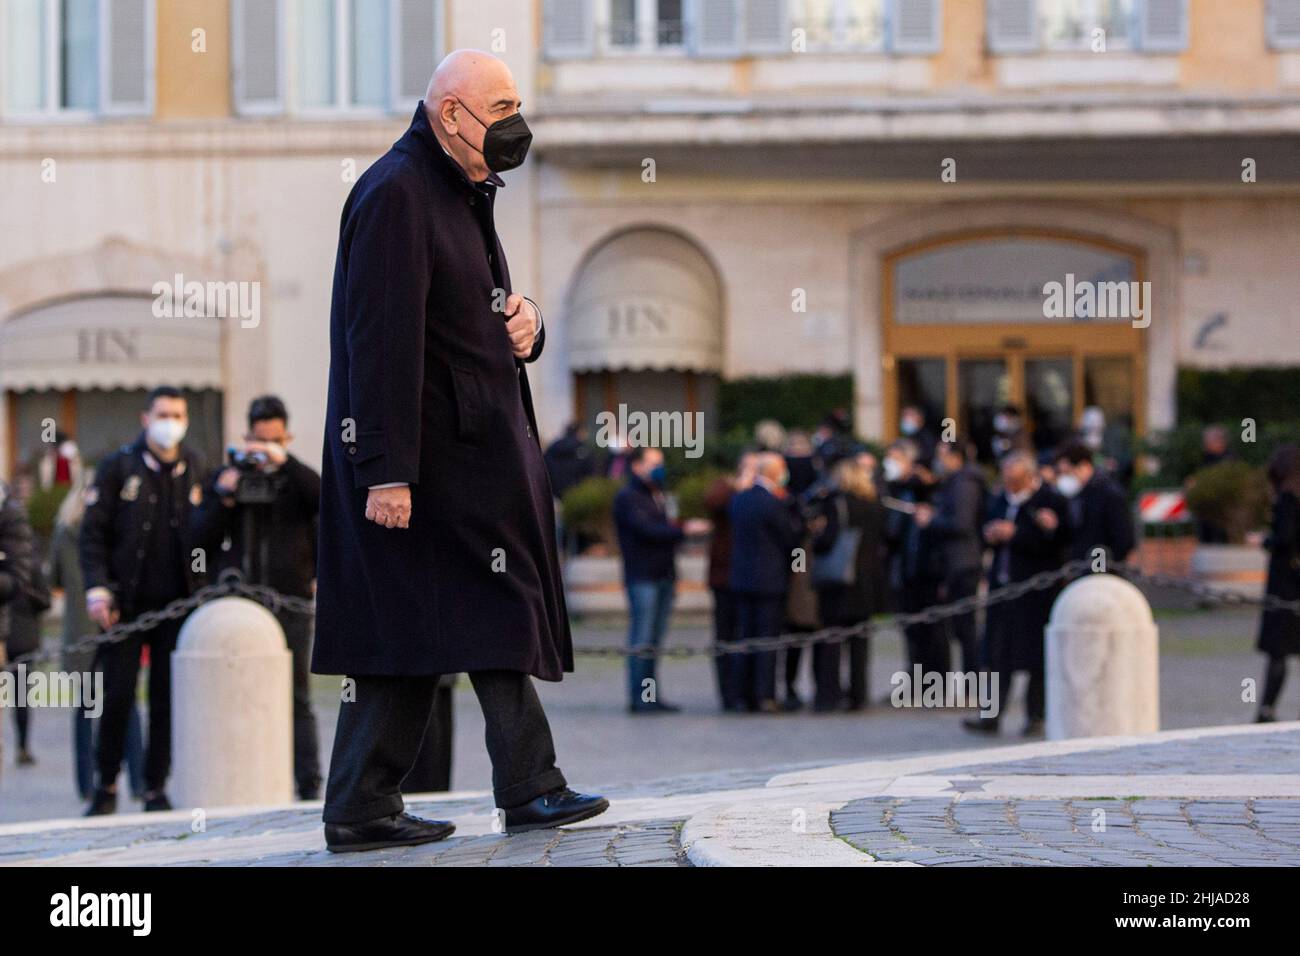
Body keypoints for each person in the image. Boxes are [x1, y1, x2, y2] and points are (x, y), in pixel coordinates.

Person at [312, 50, 606, 852]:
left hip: (463, 459)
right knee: (484, 616)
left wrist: (530, 324)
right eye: (500, 106)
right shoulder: (398, 193)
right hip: (429, 469)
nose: (515, 124)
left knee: (412, 635)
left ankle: (363, 807)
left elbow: (470, 317)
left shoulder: (457, 188)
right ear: (451, 114)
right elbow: (378, 344)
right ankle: (528, 788)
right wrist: (385, 472)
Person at [79, 386, 209, 814]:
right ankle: (108, 785)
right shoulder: (119, 467)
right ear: (145, 418)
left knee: (165, 699)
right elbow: (93, 534)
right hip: (125, 607)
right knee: (117, 696)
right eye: (163, 413)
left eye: (177, 414)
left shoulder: (194, 467)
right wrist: (98, 589)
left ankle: (155, 786)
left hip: (178, 607)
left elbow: (208, 533)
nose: (170, 421)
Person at [198, 395, 324, 800]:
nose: (264, 449)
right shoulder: (226, 479)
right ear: (246, 437)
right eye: (259, 441)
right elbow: (198, 538)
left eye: (273, 441)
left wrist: (283, 462)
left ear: (285, 437)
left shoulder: (296, 480)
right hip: (237, 603)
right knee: (234, 693)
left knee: (296, 695)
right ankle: (238, 779)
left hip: (289, 600)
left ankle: (308, 782)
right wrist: (223, 496)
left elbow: (324, 498)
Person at [47, 473, 144, 801]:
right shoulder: (114, 531)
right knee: (124, 703)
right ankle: (137, 779)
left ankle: (88, 784)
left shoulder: (64, 533)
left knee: (91, 708)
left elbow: (54, 580)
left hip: (81, 630)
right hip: (113, 624)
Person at [965, 450, 1072, 737]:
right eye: (1007, 479)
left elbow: (1059, 545)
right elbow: (982, 529)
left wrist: (1019, 534)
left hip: (1035, 592)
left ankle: (1035, 715)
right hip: (1002, 588)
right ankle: (991, 714)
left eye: (1016, 480)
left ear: (1029, 477)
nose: (1010, 485)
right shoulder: (1000, 499)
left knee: (1036, 657)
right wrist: (991, 533)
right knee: (997, 655)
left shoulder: (1051, 501)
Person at [613, 446, 708, 713]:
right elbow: (648, 530)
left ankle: (651, 695)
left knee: (655, 640)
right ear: (637, 466)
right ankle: (639, 698)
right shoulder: (629, 497)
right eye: (653, 463)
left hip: (662, 574)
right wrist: (684, 529)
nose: (659, 468)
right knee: (642, 638)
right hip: (643, 576)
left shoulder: (656, 494)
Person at [726, 453, 805, 712]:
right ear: (773, 472)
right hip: (770, 580)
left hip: (741, 578)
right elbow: (790, 537)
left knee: (745, 638)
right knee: (768, 641)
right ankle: (764, 695)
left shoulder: (739, 500)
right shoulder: (773, 503)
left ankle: (741, 694)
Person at [810, 457, 886, 711]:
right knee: (860, 642)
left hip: (840, 580)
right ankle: (858, 694)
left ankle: (828, 694)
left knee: (832, 639)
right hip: (867, 580)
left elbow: (827, 541)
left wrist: (817, 534)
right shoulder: (874, 504)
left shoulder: (836, 503)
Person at [915, 438, 986, 673]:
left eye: (942, 454)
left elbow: (961, 522)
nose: (939, 460)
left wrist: (931, 520)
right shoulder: (955, 482)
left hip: (962, 561)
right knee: (959, 625)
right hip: (955, 560)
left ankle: (972, 678)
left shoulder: (964, 482)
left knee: (964, 626)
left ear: (956, 457)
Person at [883, 439, 947, 680]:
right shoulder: (900, 490)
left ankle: (936, 680)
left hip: (930, 570)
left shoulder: (935, 492)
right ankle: (916, 677)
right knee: (912, 628)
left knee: (934, 628)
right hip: (907, 568)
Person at [704, 452, 757, 706]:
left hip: (752, 577)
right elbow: (714, 503)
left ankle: (749, 690)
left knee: (749, 636)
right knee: (726, 634)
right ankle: (728, 693)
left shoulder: (762, 496)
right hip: (725, 577)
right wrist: (738, 487)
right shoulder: (726, 487)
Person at [1255, 445, 1300, 723]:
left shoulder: (1288, 499)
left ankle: (1266, 709)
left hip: (1285, 584)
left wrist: (1264, 541)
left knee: (1278, 651)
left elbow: (1284, 538)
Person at [0, 479, 36, 770]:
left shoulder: (7, 510)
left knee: (21, 691)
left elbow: (17, 578)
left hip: (8, 632)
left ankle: (23, 744)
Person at [1054, 442, 1135, 570]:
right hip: (1080, 570)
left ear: (1084, 466)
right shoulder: (1075, 496)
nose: (1064, 478)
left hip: (1102, 574)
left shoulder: (1109, 494)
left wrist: (1100, 567)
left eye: (1068, 472)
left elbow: (1123, 539)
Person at [1193, 424, 1235, 543]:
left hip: (1221, 512)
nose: (1205, 444)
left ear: (1220, 441)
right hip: (1207, 511)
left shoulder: (1228, 460)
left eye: (1209, 441)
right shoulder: (1207, 458)